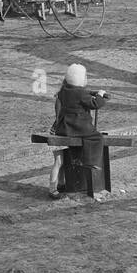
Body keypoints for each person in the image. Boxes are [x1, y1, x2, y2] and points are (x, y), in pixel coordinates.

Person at [49, 63, 109, 201]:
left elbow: (79, 96)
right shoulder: (81, 93)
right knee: (96, 138)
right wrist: (99, 95)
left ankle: (60, 185)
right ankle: (90, 161)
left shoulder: (63, 91)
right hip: (77, 127)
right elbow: (95, 104)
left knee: (60, 161)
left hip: (61, 129)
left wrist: (91, 93)